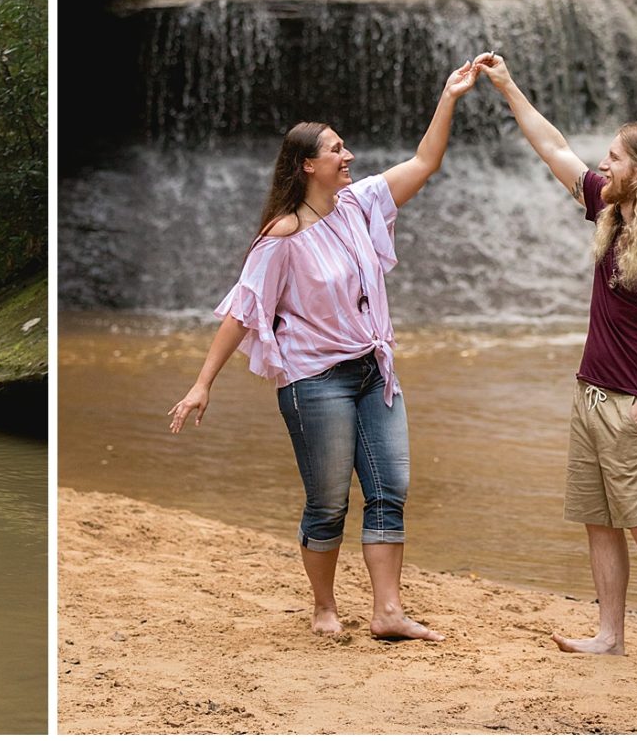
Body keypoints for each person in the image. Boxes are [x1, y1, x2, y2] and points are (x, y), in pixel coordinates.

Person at [169, 60, 481, 642]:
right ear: (308, 164)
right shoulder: (282, 237)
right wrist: (202, 382)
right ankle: (324, 608)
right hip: (316, 382)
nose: (350, 157)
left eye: (347, 147)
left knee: (390, 490)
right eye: (338, 150)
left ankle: (388, 613)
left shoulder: (360, 203)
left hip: (373, 372)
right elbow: (244, 309)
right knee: (329, 502)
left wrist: (449, 96)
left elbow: (424, 161)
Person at [474, 52, 637, 671]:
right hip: (590, 393)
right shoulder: (609, 208)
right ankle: (610, 634)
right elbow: (554, 149)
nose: (604, 164)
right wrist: (508, 85)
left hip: (636, 405)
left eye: (616, 158)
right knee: (599, 522)